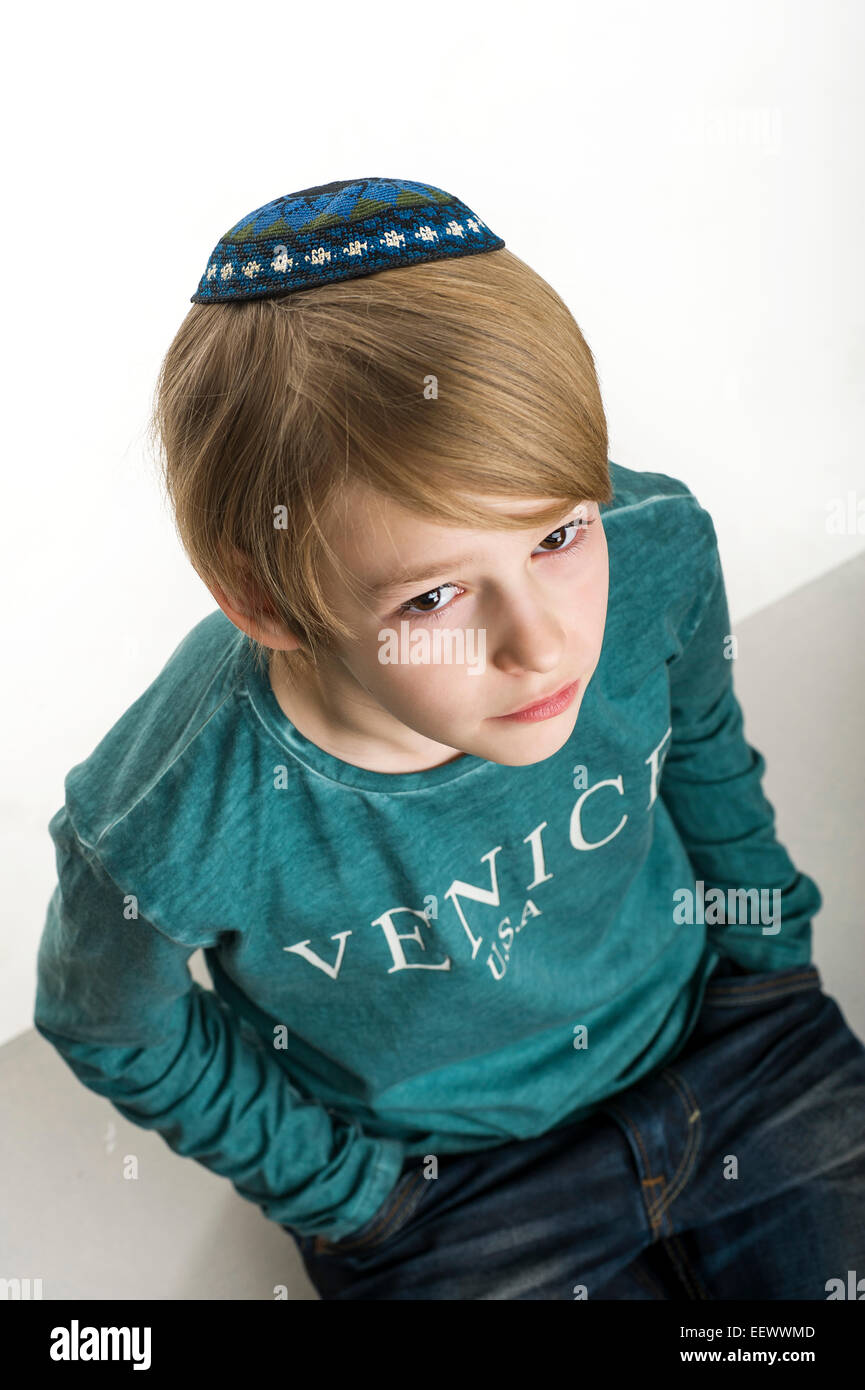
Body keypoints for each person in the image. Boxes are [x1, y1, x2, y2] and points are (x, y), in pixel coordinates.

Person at [33, 177, 865, 1300]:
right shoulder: (166, 816)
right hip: (451, 1189)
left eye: (560, 532)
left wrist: (769, 956)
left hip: (735, 1057)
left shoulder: (657, 549)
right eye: (431, 599)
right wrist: (344, 1190)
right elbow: (109, 1020)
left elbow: (706, 744)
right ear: (269, 606)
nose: (543, 642)